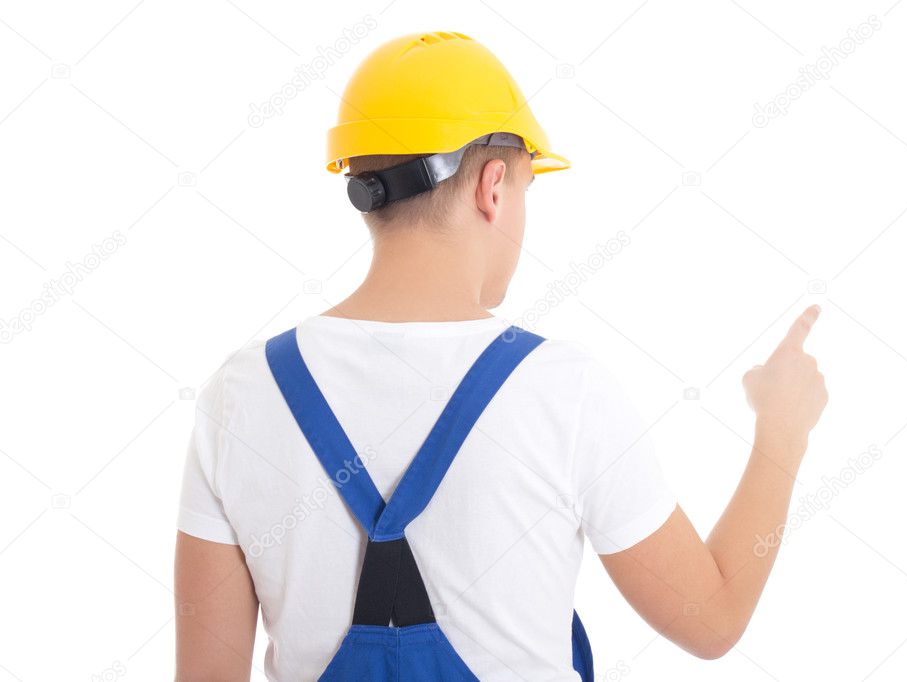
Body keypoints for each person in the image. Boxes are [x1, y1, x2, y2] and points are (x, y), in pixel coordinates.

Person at [174, 31, 828, 681]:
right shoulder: (563, 390)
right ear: (492, 187)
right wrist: (782, 427)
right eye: (523, 189)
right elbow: (710, 622)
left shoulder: (242, 393)